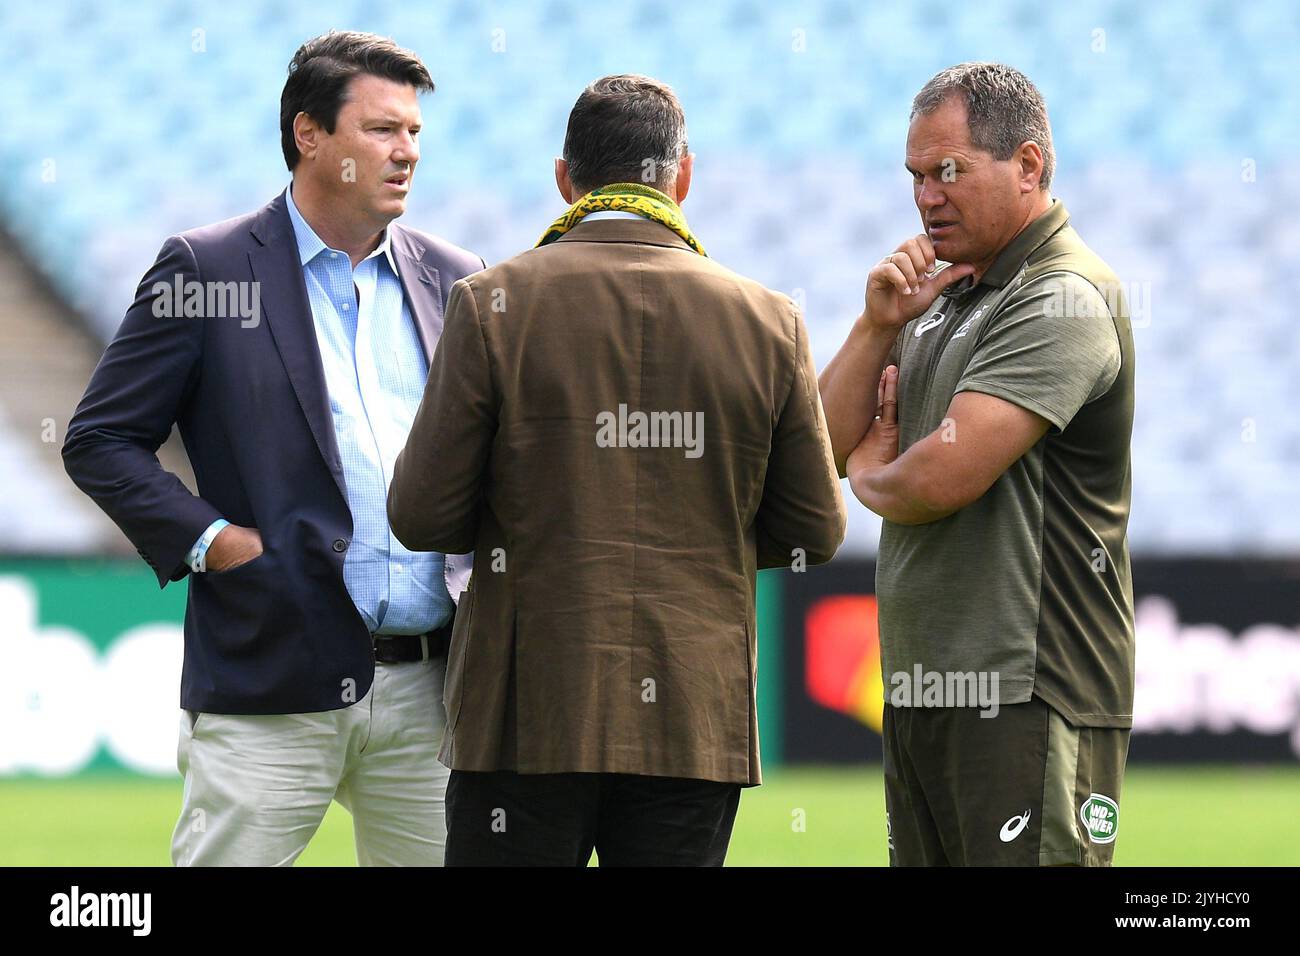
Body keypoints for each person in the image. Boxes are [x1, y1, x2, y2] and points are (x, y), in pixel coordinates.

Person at [387, 74, 846, 867]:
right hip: (693, 716)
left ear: (565, 177)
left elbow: (422, 514)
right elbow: (813, 531)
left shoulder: (491, 302)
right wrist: (710, 543)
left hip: (525, 712)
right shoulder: (772, 320)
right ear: (683, 176)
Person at [61, 31, 484, 866]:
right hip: (271, 675)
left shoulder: (456, 276)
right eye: (382, 130)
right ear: (309, 134)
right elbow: (101, 439)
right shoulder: (206, 265)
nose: (406, 152)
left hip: (435, 689)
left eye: (415, 133)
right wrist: (217, 544)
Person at [819, 62, 1136, 866]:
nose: (926, 196)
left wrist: (867, 477)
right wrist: (875, 326)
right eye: (917, 176)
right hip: (926, 688)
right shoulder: (945, 296)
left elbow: (938, 479)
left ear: (1028, 165)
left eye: (949, 171)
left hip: (1027, 691)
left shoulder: (1063, 296)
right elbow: (817, 442)